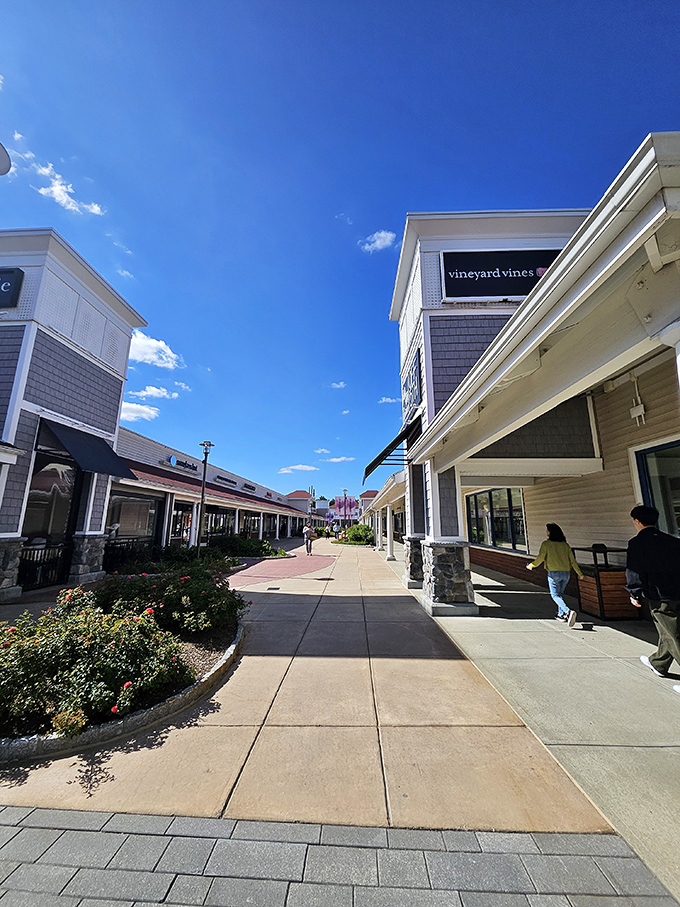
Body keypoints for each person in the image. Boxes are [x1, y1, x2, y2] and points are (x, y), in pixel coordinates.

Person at [626, 504, 680, 695]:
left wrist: (634, 592)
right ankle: (659, 663)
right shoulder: (672, 541)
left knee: (673, 634)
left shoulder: (637, 543)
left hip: (659, 594)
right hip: (677, 591)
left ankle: (659, 663)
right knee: (668, 629)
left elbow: (635, 570)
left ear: (637, 521)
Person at [527, 523, 583, 627]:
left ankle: (568, 611)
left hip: (553, 573)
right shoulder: (565, 545)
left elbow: (541, 557)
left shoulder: (546, 544)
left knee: (555, 595)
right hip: (566, 573)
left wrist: (532, 565)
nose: (546, 532)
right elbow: (572, 561)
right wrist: (579, 573)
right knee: (560, 594)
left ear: (551, 532)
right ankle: (561, 615)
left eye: (547, 530)